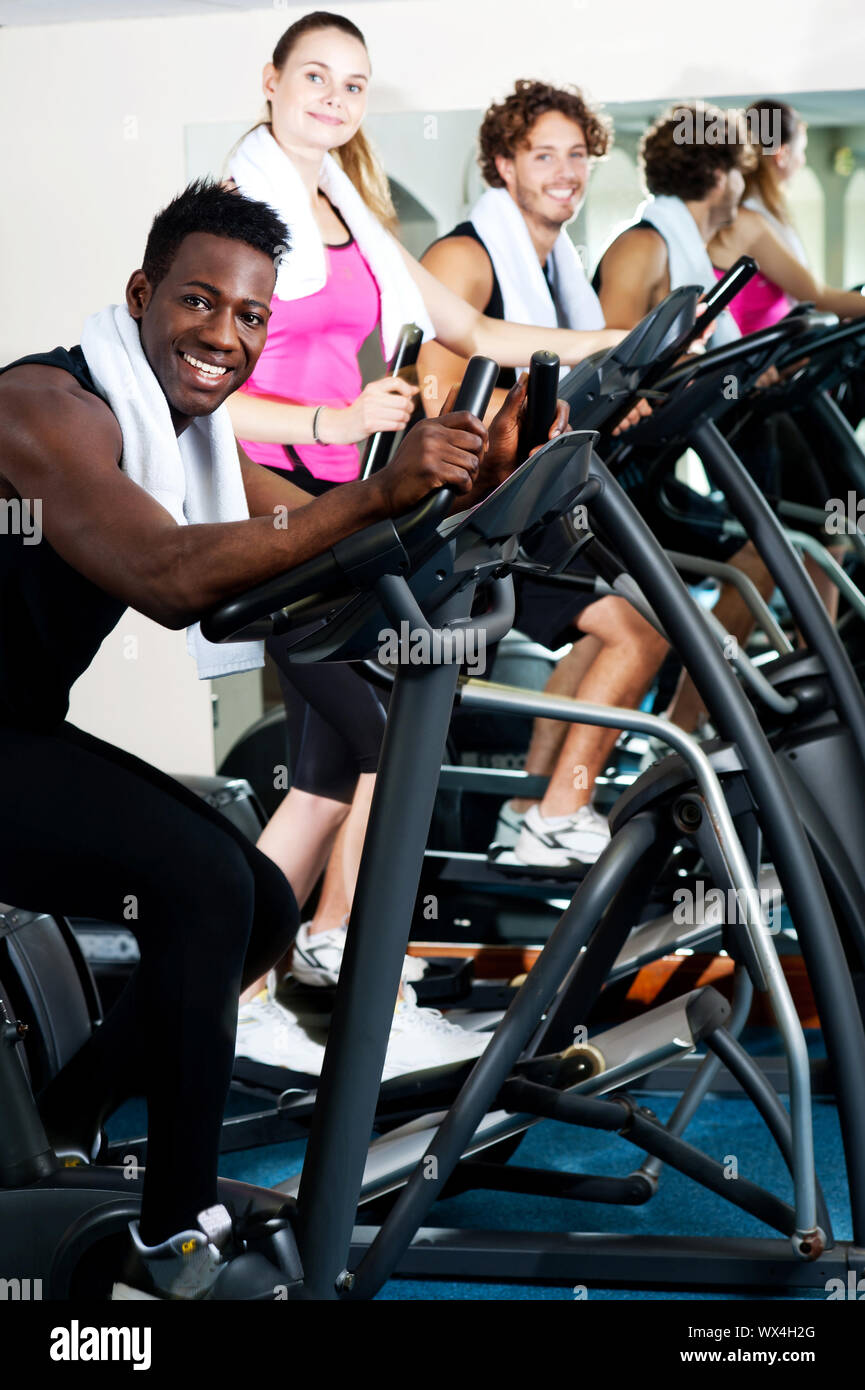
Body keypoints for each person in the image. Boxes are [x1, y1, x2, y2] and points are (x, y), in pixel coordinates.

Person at [0, 179, 538, 1298]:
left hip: (16, 726)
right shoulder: (44, 411)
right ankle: (169, 1238)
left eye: (250, 318)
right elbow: (168, 573)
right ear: (143, 296)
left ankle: (62, 1122)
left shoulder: (182, 433)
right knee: (201, 882)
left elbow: (283, 523)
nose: (225, 338)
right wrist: (373, 497)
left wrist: (457, 490)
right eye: (200, 303)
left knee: (263, 895)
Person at [224, 14, 627, 1017]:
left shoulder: (344, 208)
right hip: (268, 495)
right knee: (389, 732)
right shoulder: (234, 210)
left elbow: (474, 327)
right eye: (314, 75)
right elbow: (195, 383)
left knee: (326, 775)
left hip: (341, 489)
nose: (333, 96)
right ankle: (321, 978)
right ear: (268, 81)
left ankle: (240, 992)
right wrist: (334, 413)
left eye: (352, 84)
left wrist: (618, 337)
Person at [417, 81, 667, 869]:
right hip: (475, 512)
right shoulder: (467, 255)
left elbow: (562, 370)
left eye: (576, 155)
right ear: (503, 165)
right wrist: (499, 439)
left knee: (604, 638)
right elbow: (428, 384)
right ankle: (561, 809)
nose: (564, 171)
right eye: (542, 155)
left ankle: (530, 812)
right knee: (638, 631)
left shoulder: (561, 266)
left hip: (534, 498)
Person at [593, 103, 775, 735]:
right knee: (637, 628)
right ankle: (681, 728)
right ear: (723, 177)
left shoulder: (689, 251)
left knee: (767, 555)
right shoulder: (644, 245)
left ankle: (689, 724)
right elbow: (606, 361)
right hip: (617, 476)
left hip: (655, 468)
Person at [709, 99, 865, 333]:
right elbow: (817, 297)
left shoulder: (754, 213)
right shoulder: (748, 221)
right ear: (781, 155)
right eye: (802, 150)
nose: (802, 161)